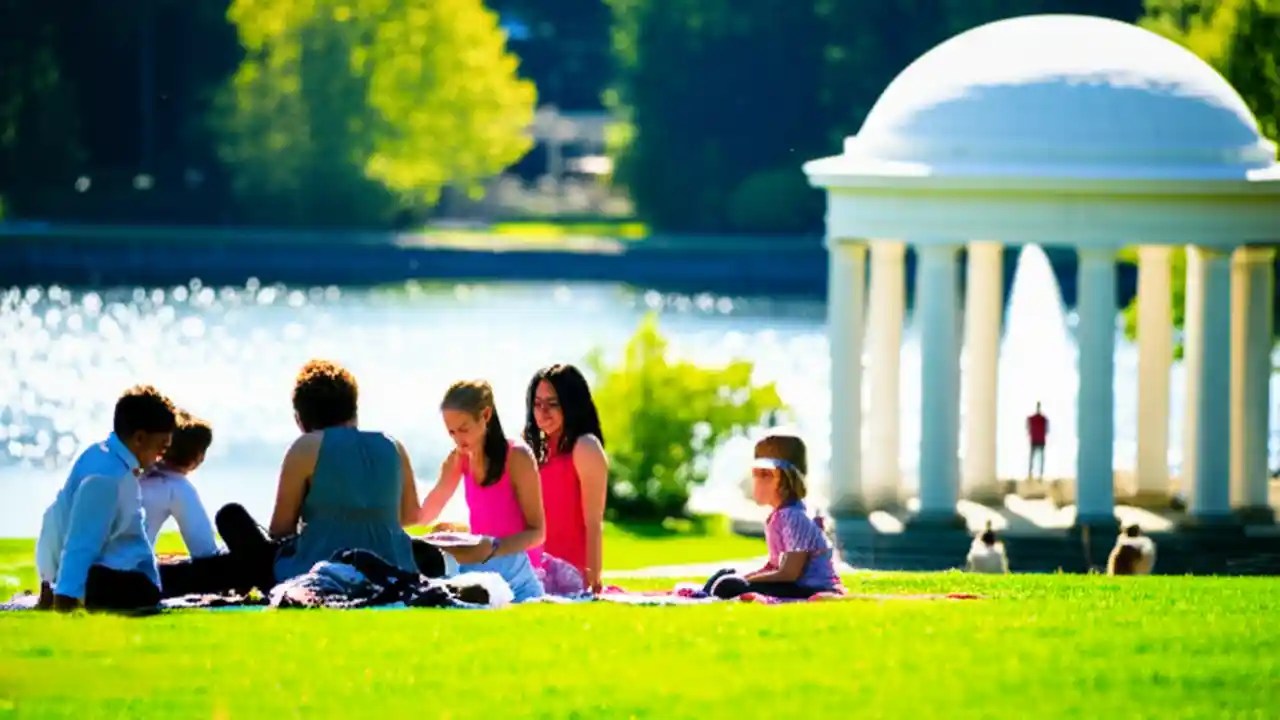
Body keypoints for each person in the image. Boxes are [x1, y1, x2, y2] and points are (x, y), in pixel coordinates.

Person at [214, 359, 424, 592]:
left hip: (316, 575)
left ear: (299, 417)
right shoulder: (393, 445)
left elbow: (280, 529)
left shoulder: (307, 446)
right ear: (354, 408)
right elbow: (411, 515)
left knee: (230, 518)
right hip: (396, 570)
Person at [34, 385, 177, 611]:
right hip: (104, 578)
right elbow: (81, 542)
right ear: (139, 438)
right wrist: (66, 596)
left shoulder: (104, 457)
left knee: (171, 576)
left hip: (110, 569)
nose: (162, 456)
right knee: (152, 589)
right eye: (161, 447)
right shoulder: (109, 477)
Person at [419, 379, 546, 601]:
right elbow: (426, 514)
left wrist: (492, 548)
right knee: (430, 545)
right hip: (485, 558)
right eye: (452, 433)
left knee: (439, 576)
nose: (458, 439)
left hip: (517, 563)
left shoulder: (517, 457)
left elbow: (537, 533)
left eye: (464, 429)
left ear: (486, 415)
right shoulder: (460, 459)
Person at [702, 433, 842, 600]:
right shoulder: (778, 516)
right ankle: (703, 596)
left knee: (728, 585)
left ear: (786, 481)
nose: (756, 481)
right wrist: (747, 576)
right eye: (756, 473)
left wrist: (746, 580)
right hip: (791, 583)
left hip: (808, 589)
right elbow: (775, 565)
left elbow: (790, 573)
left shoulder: (793, 517)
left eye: (765, 475)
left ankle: (712, 597)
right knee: (726, 575)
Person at [523, 364, 609, 593]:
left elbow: (593, 522)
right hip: (532, 568)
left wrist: (593, 580)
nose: (543, 412)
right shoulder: (532, 449)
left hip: (566, 576)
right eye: (537, 404)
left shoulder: (585, 447)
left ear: (572, 405)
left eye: (553, 404)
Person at [140, 410, 218, 557]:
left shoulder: (135, 473)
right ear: (198, 457)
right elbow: (204, 550)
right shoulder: (177, 488)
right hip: (127, 574)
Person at [1026, 402, 1048, 482]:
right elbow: (1046, 430)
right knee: (1039, 459)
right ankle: (1037, 475)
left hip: (1036, 440)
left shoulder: (1034, 419)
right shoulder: (1043, 419)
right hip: (1039, 440)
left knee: (1034, 458)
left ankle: (1033, 474)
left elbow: (1027, 427)